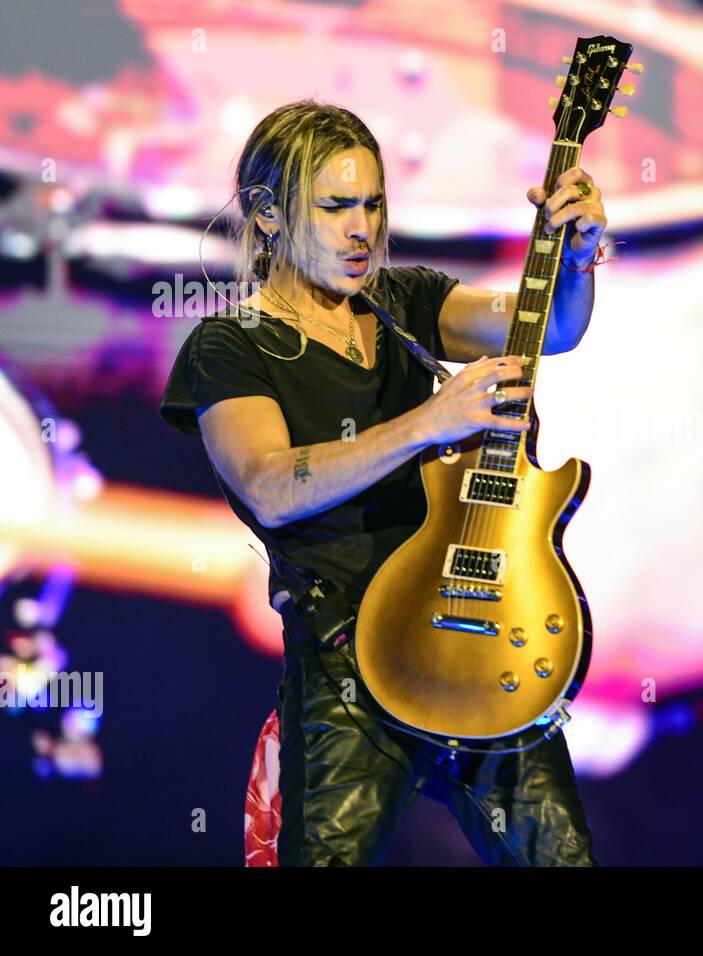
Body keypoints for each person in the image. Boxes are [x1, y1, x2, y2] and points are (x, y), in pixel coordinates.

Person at [160, 100, 608, 866]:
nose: (362, 227)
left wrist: (574, 256)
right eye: (336, 206)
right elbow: (269, 484)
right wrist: (425, 423)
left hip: (478, 639)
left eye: (372, 203)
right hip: (347, 665)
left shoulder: (405, 303)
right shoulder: (230, 347)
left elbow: (551, 328)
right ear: (267, 216)